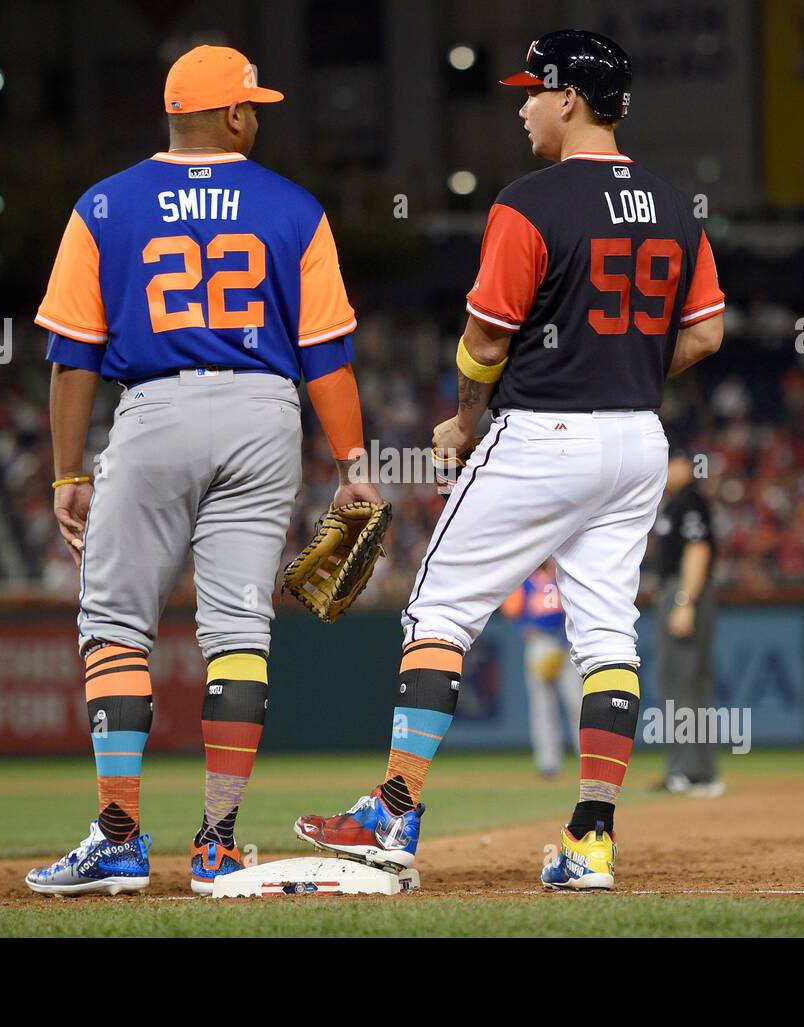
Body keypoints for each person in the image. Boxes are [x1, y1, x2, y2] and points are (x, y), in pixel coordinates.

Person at [295, 29, 724, 890]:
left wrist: (461, 423)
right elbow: (706, 330)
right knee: (608, 633)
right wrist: (630, 366)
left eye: (533, 90)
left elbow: (487, 333)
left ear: (569, 98)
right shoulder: (678, 205)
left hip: (543, 433)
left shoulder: (529, 201)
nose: (523, 105)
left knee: (439, 610)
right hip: (638, 440)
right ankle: (592, 840)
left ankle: (392, 811)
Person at [24, 45, 380, 896]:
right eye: (251, 104)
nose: (257, 115)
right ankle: (218, 844)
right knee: (239, 630)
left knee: (114, 619)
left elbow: (73, 358)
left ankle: (118, 836)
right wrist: (355, 464)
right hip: (266, 410)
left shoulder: (104, 206)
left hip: (154, 408)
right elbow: (326, 354)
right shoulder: (292, 207)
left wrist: (67, 473)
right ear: (229, 115)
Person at [650, 448, 724, 796]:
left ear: (683, 465)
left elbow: (698, 550)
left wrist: (684, 601)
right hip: (680, 591)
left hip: (685, 591)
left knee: (680, 683)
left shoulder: (689, 500)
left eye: (669, 462)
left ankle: (687, 772)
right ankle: (701, 773)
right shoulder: (676, 501)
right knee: (690, 684)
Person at [502, 563, 584, 777]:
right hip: (539, 643)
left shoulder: (563, 574)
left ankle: (587, 761)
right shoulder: (526, 580)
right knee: (542, 706)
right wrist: (524, 629)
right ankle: (548, 763)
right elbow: (512, 612)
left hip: (567, 645)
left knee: (577, 703)